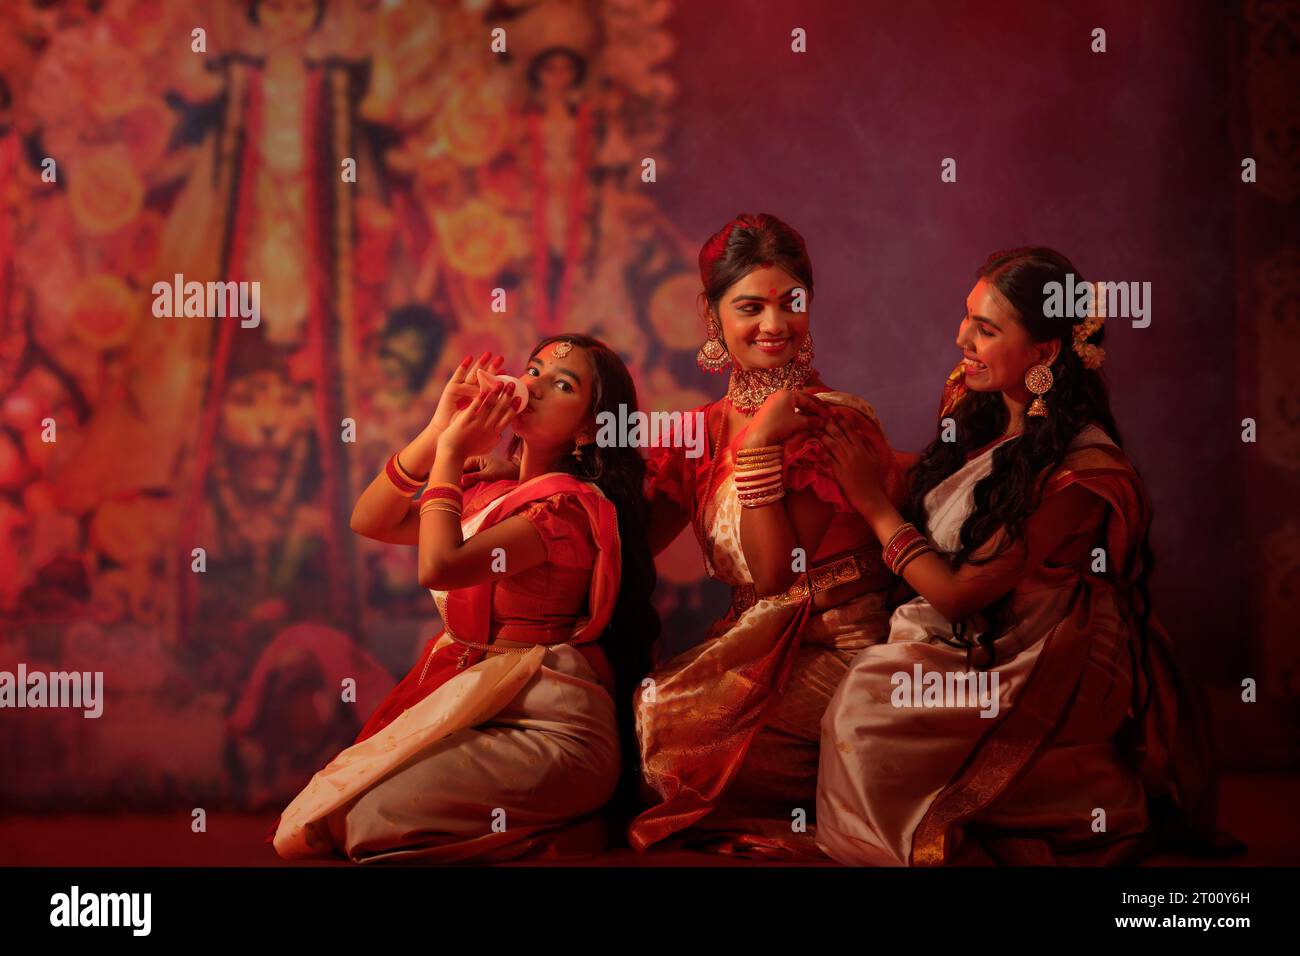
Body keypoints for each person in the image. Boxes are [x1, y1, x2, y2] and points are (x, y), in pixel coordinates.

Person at [815, 247, 1219, 865]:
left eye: (985, 328)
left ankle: (1057, 800)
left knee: (864, 717)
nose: (962, 338)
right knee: (862, 690)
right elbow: (947, 493)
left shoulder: (1080, 471)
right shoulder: (981, 408)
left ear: (1043, 352)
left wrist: (872, 504)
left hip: (1038, 661)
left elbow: (957, 595)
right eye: (967, 317)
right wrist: (844, 441)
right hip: (977, 643)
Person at [270, 335, 658, 862]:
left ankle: (569, 830)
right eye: (534, 370)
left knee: (366, 822)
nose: (534, 386)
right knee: (313, 825)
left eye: (563, 385)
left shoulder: (564, 512)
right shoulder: (494, 491)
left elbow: (440, 566)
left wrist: (452, 455)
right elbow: (370, 520)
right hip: (479, 704)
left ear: (589, 428)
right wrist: (437, 431)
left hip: (551, 726)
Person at [627, 213, 907, 858]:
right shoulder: (700, 431)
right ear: (711, 314)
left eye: (792, 303)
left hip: (836, 654)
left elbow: (777, 573)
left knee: (663, 756)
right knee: (639, 729)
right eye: (751, 307)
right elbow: (628, 550)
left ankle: (843, 785)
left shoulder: (830, 422)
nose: (775, 325)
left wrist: (756, 449)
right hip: (756, 651)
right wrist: (536, 473)